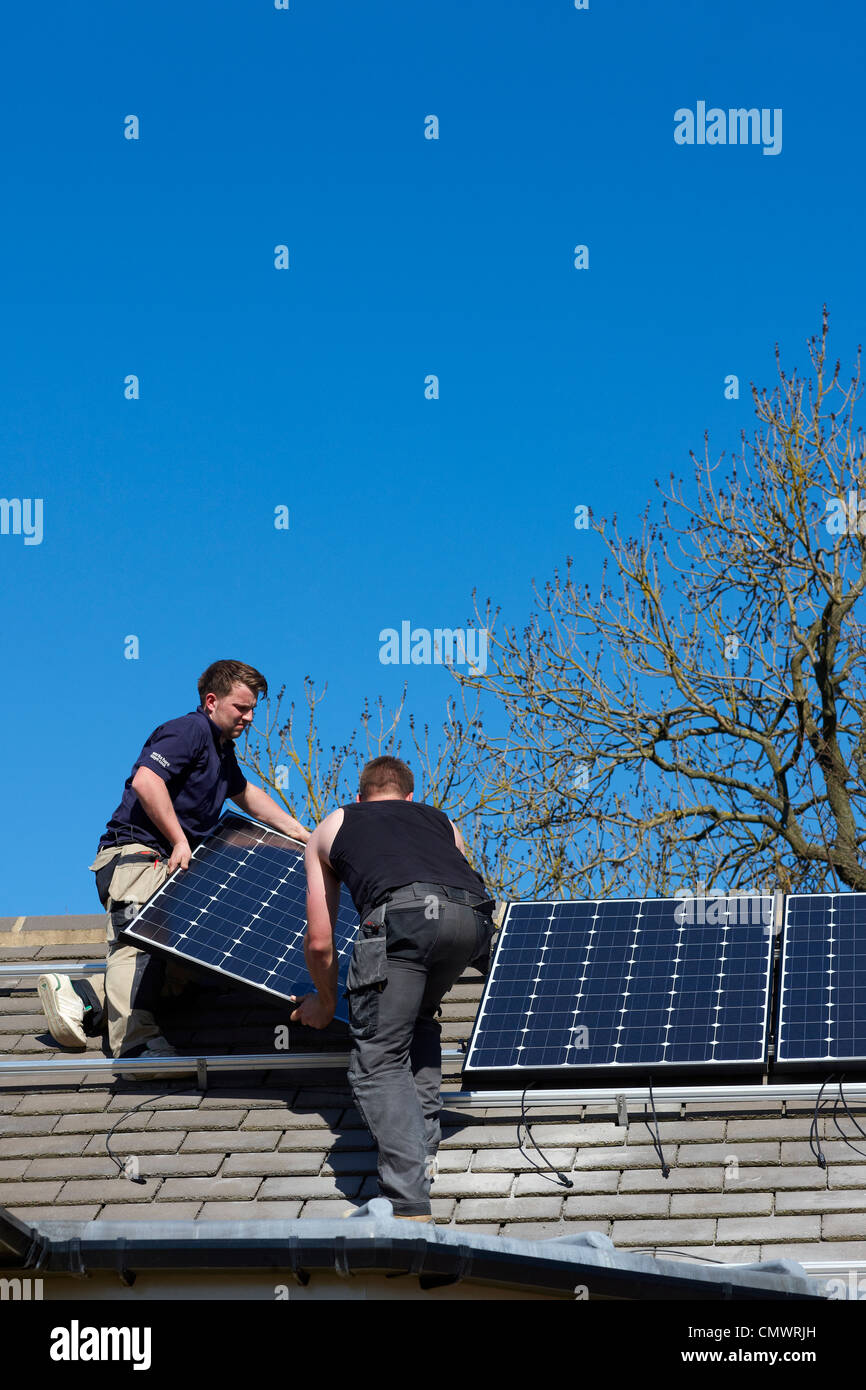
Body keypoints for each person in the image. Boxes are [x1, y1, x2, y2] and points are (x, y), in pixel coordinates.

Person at [39, 659, 310, 1060]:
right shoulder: (190, 730)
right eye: (241, 708)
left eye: (253, 709)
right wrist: (180, 841)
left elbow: (246, 794)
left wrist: (301, 834)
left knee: (192, 961)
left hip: (170, 863)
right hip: (139, 855)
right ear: (212, 701)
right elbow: (147, 781)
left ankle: (85, 997)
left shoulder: (221, 752)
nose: (250, 717)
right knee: (142, 939)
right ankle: (134, 1046)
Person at [293, 755, 495, 1221]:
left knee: (379, 1057)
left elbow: (320, 940)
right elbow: (460, 886)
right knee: (416, 1020)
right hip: (472, 922)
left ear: (360, 797)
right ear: (409, 798)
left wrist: (325, 1003)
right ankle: (424, 1154)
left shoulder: (333, 824)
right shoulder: (443, 822)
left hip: (402, 921)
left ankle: (408, 1202)